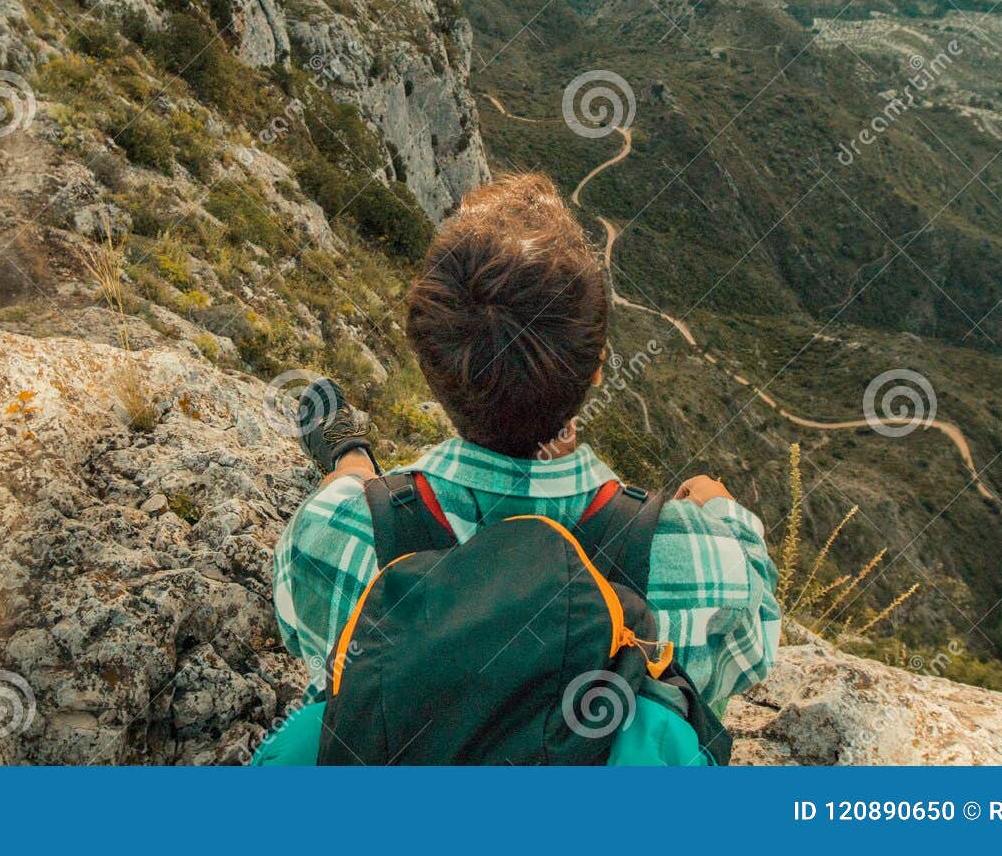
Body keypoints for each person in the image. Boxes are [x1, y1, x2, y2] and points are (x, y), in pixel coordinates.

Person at [262, 173, 779, 764]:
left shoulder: (332, 535)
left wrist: (357, 481)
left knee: (355, 480)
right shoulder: (711, 562)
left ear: (430, 364)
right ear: (598, 370)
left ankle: (351, 455)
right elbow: (756, 631)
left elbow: (309, 639)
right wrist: (717, 504)